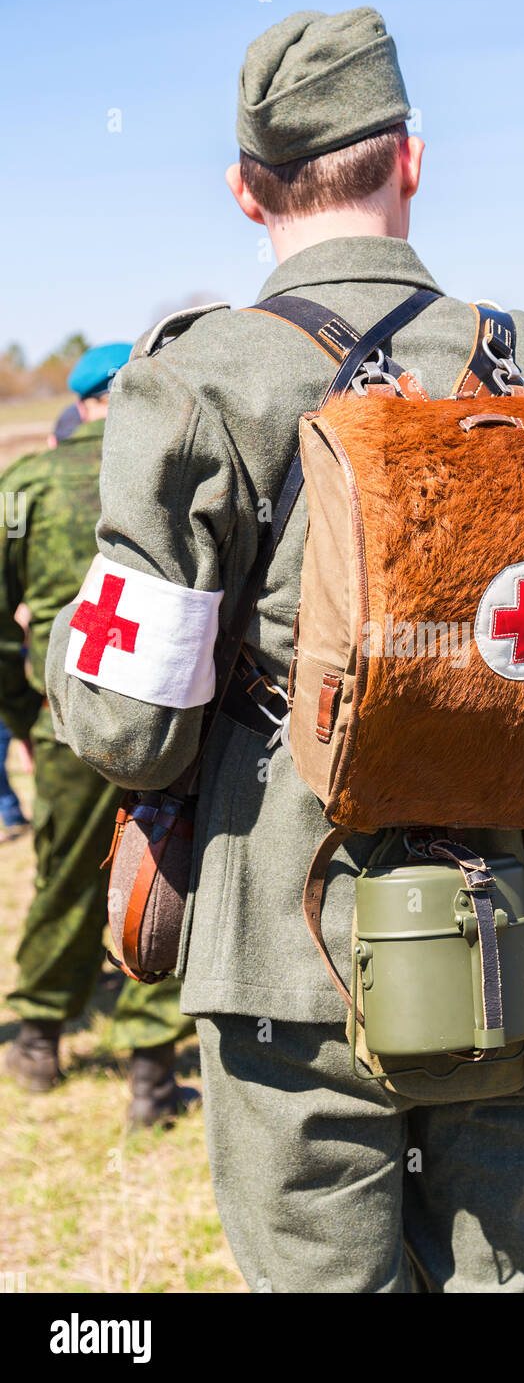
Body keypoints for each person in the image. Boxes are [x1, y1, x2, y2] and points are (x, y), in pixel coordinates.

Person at [44, 8, 524, 1292]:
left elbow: (128, 725)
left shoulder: (198, 382)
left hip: (280, 962)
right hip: (514, 943)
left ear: (247, 190)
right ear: (409, 159)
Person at [3, 343, 197, 1128]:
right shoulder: (174, 474)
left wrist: (25, 711)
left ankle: (39, 1039)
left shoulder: (28, 483)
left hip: (67, 721)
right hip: (172, 720)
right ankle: (152, 1071)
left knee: (67, 877)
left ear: (81, 403)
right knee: (172, 867)